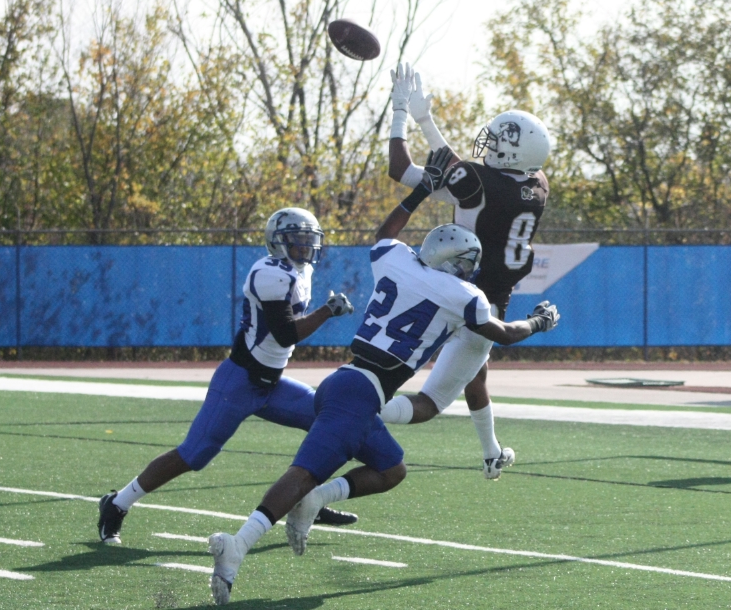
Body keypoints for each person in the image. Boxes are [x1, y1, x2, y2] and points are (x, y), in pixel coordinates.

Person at [207, 148, 560, 605]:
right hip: (358, 393)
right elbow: (503, 334)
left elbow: (385, 233)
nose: (472, 271)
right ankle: (236, 546)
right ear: (457, 263)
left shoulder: (396, 260)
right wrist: (538, 322)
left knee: (391, 468)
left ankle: (313, 502)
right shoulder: (461, 293)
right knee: (302, 473)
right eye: (468, 263)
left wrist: (420, 192)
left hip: (348, 383)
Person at [97, 207, 358, 544]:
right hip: (240, 382)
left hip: (273, 383)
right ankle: (117, 504)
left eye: (310, 240)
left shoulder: (301, 269)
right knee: (194, 454)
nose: (306, 246)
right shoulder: (269, 273)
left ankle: (306, 497)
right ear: (278, 242)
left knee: (331, 422)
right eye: (298, 239)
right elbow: (284, 334)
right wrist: (326, 312)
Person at [381, 62, 552, 479]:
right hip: (489, 301)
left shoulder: (483, 184)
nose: (487, 143)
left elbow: (414, 170)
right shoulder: (536, 184)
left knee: (433, 397)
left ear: (513, 151)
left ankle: (354, 406)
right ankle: (492, 452)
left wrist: (412, 114)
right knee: (474, 371)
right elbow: (442, 175)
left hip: (455, 293)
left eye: (496, 140)